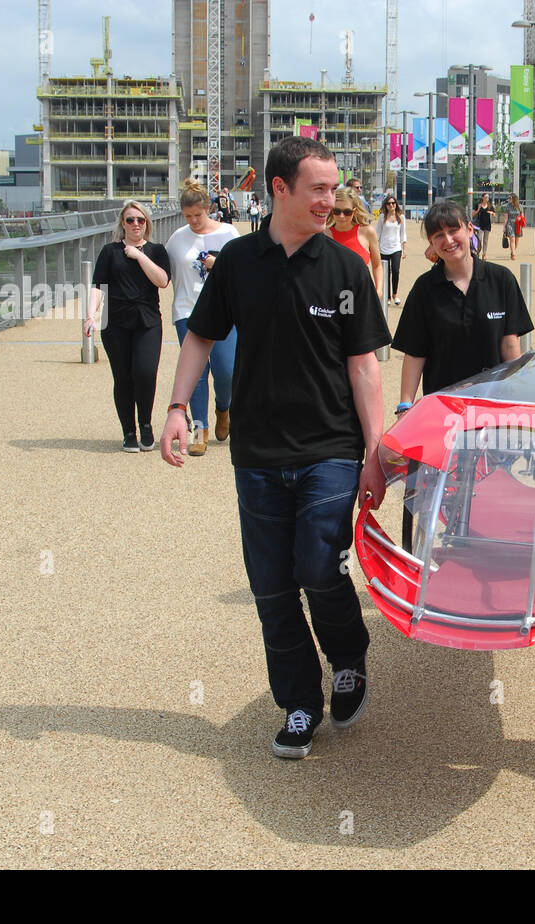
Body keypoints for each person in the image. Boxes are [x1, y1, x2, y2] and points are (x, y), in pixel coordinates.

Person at [159, 136, 391, 760]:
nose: (331, 200)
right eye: (318, 188)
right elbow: (200, 338)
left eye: (334, 188)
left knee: (319, 566)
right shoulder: (238, 263)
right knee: (271, 588)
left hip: (331, 449)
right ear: (280, 188)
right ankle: (297, 705)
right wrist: (179, 408)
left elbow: (364, 366)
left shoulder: (344, 267)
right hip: (258, 457)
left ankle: (347, 654)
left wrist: (375, 449)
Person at [392, 200, 533, 407]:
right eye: (439, 235)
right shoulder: (425, 288)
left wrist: (519, 400)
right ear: (431, 242)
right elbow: (414, 353)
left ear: (469, 229)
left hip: (492, 405)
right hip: (443, 408)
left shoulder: (501, 280)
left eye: (453, 230)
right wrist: (405, 405)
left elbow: (510, 346)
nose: (448, 240)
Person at [84, 200, 171, 452]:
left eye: (140, 220)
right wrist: (90, 316)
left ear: (147, 223)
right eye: (130, 220)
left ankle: (145, 424)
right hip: (116, 323)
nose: (135, 224)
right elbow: (98, 286)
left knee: (145, 373)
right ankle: (128, 431)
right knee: (123, 378)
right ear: (122, 224)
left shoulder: (156, 251)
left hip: (147, 321)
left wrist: (138, 255)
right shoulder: (109, 252)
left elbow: (162, 280)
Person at [165, 178, 239, 455]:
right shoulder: (177, 239)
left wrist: (217, 264)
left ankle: (224, 408)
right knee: (195, 373)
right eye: (188, 216)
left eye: (198, 215)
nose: (194, 221)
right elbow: (164, 268)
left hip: (224, 311)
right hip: (188, 311)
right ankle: (200, 430)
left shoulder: (229, 234)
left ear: (209, 208)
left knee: (226, 370)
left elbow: (242, 270)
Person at [325, 186, 383, 298]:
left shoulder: (367, 232)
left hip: (361, 296)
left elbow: (377, 265)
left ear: (355, 211)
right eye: (337, 211)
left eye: (347, 212)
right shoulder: (324, 234)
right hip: (332, 298)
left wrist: (378, 290)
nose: (341, 216)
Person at [377, 194, 407, 305]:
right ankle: (388, 297)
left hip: (396, 248)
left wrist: (404, 249)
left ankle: (395, 294)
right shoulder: (382, 217)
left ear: (396, 204)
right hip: (383, 248)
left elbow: (403, 234)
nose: (391, 205)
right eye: (389, 203)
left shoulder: (401, 217)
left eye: (393, 203)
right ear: (386, 205)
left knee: (395, 270)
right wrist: (375, 248)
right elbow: (378, 233)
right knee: (386, 273)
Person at [472, 193, 494, 259]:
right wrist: (478, 209)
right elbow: (472, 215)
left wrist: (492, 213)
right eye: (486, 196)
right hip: (479, 225)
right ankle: (478, 252)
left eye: (488, 197)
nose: (487, 198)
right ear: (482, 198)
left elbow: (494, 215)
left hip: (487, 225)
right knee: (479, 239)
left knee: (485, 240)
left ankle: (484, 254)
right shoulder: (478, 205)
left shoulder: (490, 206)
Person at [502, 192, 522, 260]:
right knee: (512, 239)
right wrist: (504, 227)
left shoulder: (519, 206)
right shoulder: (507, 206)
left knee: (516, 240)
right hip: (510, 223)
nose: (509, 199)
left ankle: (513, 251)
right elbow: (506, 218)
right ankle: (513, 254)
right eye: (509, 198)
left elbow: (522, 215)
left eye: (510, 198)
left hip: (518, 224)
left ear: (514, 198)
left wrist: (520, 218)